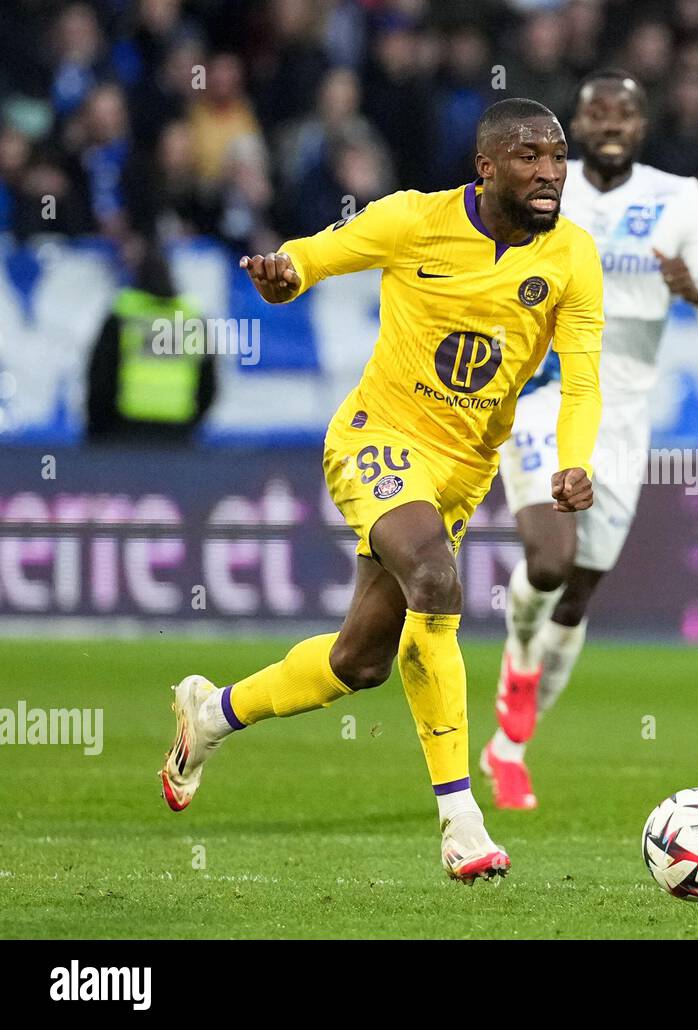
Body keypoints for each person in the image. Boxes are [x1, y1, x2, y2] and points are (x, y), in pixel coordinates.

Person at [157, 98, 605, 884]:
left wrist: (576, 460)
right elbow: (314, 258)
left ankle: (212, 712)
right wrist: (280, 273)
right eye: (530, 156)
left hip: (463, 470)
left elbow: (582, 381)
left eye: (558, 156)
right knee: (434, 577)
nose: (549, 172)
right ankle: (460, 819)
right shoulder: (414, 220)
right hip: (378, 439)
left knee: (359, 661)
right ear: (488, 165)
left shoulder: (573, 256)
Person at [485, 71, 698, 809]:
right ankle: (519, 669)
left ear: (641, 124)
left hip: (624, 414)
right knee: (550, 557)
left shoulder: (678, 200)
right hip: (540, 393)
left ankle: (509, 747)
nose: (608, 122)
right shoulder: (540, 187)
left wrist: (694, 291)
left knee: (579, 592)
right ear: (574, 124)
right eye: (594, 111)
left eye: (623, 112)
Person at [86, 242, 216, 443]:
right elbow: (208, 383)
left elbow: (100, 376)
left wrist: (98, 429)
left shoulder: (123, 314)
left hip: (124, 433)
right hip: (178, 436)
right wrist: (192, 424)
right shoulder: (192, 319)